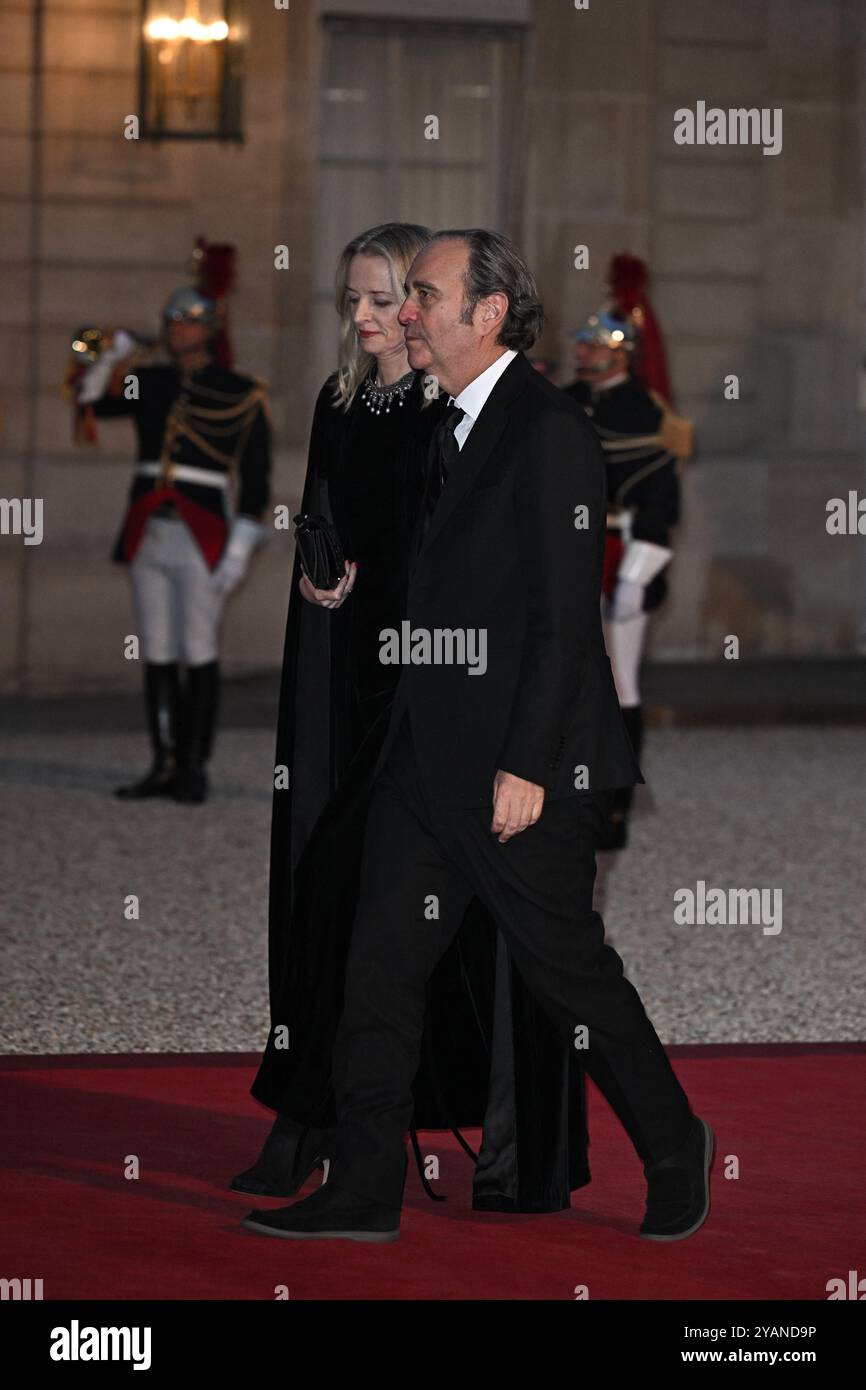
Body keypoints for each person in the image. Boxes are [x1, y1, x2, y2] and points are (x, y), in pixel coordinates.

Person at [241, 229, 712, 1245]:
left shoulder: (547, 432)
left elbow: (559, 618)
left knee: (567, 972)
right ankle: (363, 1190)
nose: (404, 311)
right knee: (376, 968)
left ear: (486, 312)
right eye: (402, 294)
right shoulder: (438, 424)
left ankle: (675, 1144)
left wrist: (527, 766)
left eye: (422, 293)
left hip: (517, 767)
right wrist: (349, 583)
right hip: (420, 752)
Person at [74, 249, 271, 804]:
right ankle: (161, 761)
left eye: (185, 321)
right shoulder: (149, 382)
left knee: (199, 647)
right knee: (157, 648)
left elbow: (255, 483)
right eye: (171, 321)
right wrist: (109, 359)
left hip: (202, 529)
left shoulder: (240, 391)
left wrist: (238, 551)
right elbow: (90, 405)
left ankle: (194, 766)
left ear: (209, 330)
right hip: (147, 525)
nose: (174, 329)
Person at [565, 254, 686, 849]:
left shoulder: (645, 413)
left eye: (595, 344)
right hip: (565, 552)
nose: (583, 352)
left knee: (619, 682)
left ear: (622, 349)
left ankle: (613, 807)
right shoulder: (562, 399)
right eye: (582, 343)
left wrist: (640, 571)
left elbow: (663, 502)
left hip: (620, 553)